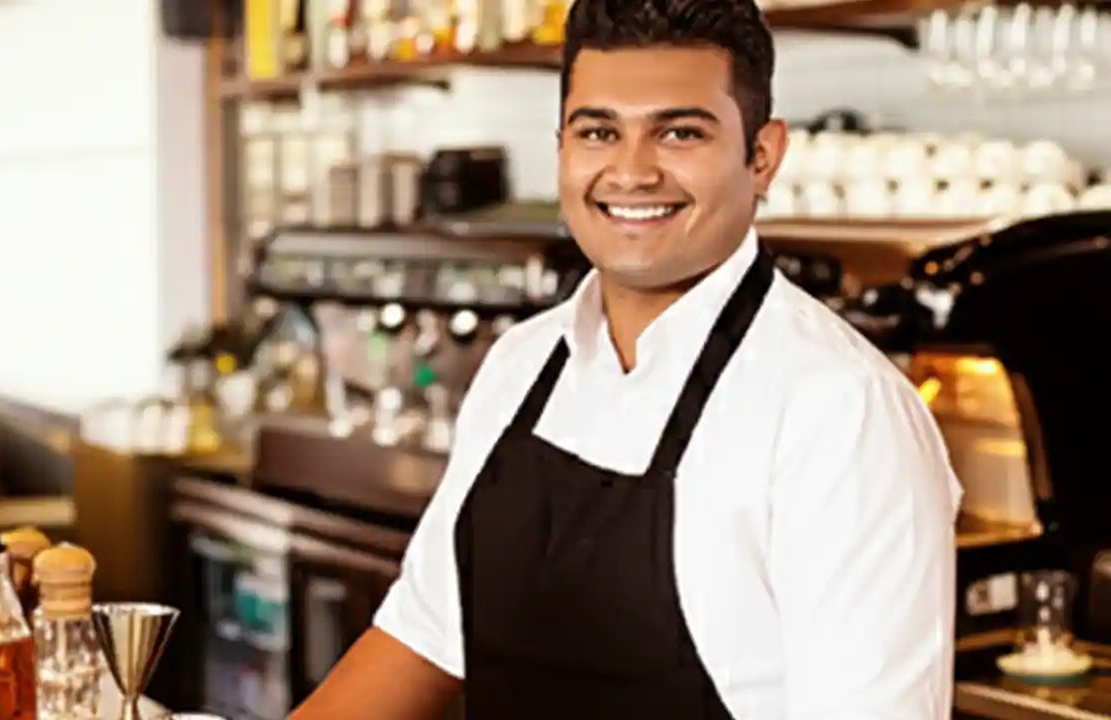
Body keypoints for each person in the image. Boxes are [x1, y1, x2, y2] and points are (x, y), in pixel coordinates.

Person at [289, 0, 963, 717]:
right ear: (561, 149)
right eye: (599, 131)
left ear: (762, 156)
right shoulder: (520, 365)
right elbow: (420, 639)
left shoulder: (840, 412)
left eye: (679, 132)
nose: (631, 172)